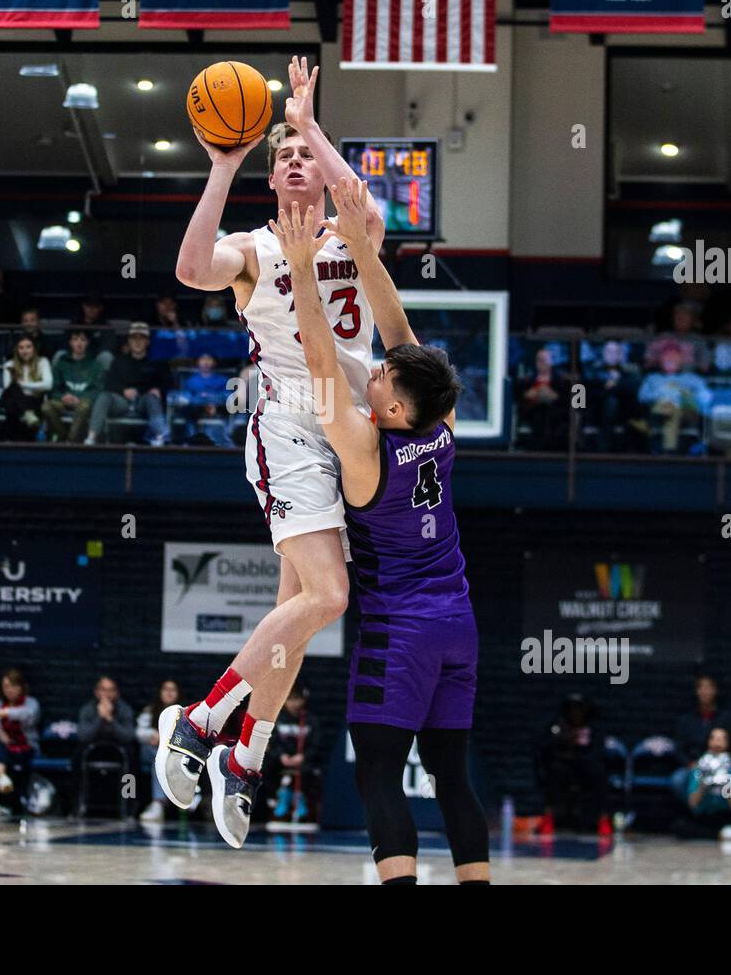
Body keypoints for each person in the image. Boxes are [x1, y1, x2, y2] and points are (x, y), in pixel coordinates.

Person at [158, 55, 395, 854]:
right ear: (270, 181)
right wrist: (225, 164)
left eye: (305, 158)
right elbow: (191, 270)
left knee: (301, 608)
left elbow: (359, 198)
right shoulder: (253, 248)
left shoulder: (354, 230)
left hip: (353, 428)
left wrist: (304, 122)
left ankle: (245, 756)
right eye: (284, 157)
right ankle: (199, 720)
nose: (297, 163)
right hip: (292, 425)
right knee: (330, 595)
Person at [241, 184, 488, 883]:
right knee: (451, 778)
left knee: (379, 773)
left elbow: (321, 363)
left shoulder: (362, 448)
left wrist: (300, 268)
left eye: (379, 378)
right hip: (459, 627)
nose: (371, 374)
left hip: (402, 630)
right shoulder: (438, 426)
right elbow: (397, 325)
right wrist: (360, 249)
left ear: (395, 408)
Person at [84, 322, 171, 445]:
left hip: (143, 402)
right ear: (129, 341)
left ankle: (160, 437)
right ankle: (91, 438)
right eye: (134, 338)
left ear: (148, 342)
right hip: (122, 402)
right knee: (104, 396)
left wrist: (158, 389)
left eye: (141, 338)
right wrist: (123, 391)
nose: (137, 342)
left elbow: (168, 381)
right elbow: (108, 383)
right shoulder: (119, 361)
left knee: (153, 398)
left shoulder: (157, 362)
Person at [536, 693, 608, 837]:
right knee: (551, 772)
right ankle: (549, 818)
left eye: (579, 709)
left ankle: (602, 820)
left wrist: (581, 757)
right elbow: (545, 749)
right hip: (563, 766)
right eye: (572, 709)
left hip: (586, 766)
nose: (576, 713)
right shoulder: (557, 725)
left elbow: (598, 752)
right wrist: (562, 740)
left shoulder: (594, 728)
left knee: (599, 775)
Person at [0, 668, 40, 818]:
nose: (10, 690)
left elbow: (29, 715)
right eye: (6, 686)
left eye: (14, 686)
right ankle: (1, 778)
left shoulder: (31, 703)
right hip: (2, 748)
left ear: (21, 687)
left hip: (24, 747)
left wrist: (6, 712)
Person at [264, 683, 324, 825]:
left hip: (303, 760)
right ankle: (275, 800)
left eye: (297, 699)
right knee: (266, 769)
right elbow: (272, 742)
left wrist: (303, 756)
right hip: (280, 760)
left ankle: (300, 803)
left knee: (310, 773)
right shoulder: (277, 719)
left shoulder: (310, 720)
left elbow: (315, 744)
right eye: (289, 699)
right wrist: (281, 755)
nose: (293, 703)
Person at [672, 728, 731, 841]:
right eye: (714, 739)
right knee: (679, 826)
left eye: (721, 739)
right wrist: (704, 784)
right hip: (703, 817)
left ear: (727, 744)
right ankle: (719, 835)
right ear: (708, 742)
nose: (717, 743)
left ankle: (721, 833)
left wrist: (727, 782)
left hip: (724, 816)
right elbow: (693, 803)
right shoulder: (698, 769)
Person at [638, 340, 711, 454]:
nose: (670, 359)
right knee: (669, 406)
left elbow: (706, 397)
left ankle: (668, 452)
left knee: (674, 403)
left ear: (681, 359)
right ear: (660, 359)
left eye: (674, 356)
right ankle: (670, 451)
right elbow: (642, 397)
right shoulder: (652, 378)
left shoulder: (693, 378)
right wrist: (661, 393)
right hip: (659, 412)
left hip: (687, 413)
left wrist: (681, 395)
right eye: (666, 356)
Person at [43, 329, 104, 443]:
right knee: (46, 407)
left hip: (84, 401)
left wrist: (79, 398)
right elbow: (53, 389)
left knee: (84, 407)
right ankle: (62, 435)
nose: (79, 343)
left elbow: (98, 390)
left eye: (83, 340)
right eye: (75, 339)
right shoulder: (61, 363)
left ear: (87, 343)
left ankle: (70, 441)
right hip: (64, 400)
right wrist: (62, 397)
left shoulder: (95, 365)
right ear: (70, 342)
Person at [136, 679, 182, 823]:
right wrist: (151, 734)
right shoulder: (150, 711)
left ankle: (159, 804)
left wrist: (166, 738)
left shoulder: (184, 712)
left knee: (161, 759)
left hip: (174, 755)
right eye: (165, 689)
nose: (168, 693)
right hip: (150, 752)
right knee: (158, 758)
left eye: (172, 690)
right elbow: (138, 732)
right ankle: (158, 803)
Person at [516, 346, 570, 451]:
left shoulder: (562, 380)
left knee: (554, 415)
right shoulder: (527, 380)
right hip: (533, 412)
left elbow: (571, 400)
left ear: (551, 362)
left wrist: (555, 397)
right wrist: (528, 395)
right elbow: (520, 397)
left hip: (555, 412)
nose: (541, 363)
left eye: (544, 360)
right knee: (539, 414)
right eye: (539, 360)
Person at [0, 334, 53, 441]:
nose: (25, 351)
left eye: (28, 347)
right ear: (16, 350)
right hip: (13, 398)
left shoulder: (43, 362)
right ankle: (27, 413)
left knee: (12, 403)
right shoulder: (9, 364)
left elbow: (48, 385)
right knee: (12, 389)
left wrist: (23, 384)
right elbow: (8, 388)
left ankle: (9, 440)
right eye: (21, 347)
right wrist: (35, 387)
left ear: (34, 348)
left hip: (33, 400)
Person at [180, 351, 232, 445]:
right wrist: (203, 401)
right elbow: (185, 398)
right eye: (203, 359)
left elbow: (228, 396)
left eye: (209, 359)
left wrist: (212, 399)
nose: (206, 362)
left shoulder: (222, 380)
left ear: (214, 362)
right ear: (198, 362)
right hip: (196, 411)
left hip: (218, 410)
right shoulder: (191, 380)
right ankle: (190, 441)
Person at [77, 676, 136, 750]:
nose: (107, 694)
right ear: (96, 692)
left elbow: (128, 737)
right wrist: (100, 717)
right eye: (103, 690)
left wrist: (110, 719)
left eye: (111, 690)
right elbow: (83, 737)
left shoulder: (125, 709)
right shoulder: (87, 709)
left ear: (117, 693)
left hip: (119, 748)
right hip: (92, 748)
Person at [76, 294, 116, 369]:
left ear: (100, 308)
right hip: (77, 358)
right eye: (88, 306)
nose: (91, 309)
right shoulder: (75, 324)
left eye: (95, 306)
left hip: (96, 361)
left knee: (106, 356)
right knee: (60, 354)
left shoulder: (106, 326)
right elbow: (66, 344)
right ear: (83, 306)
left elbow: (108, 347)